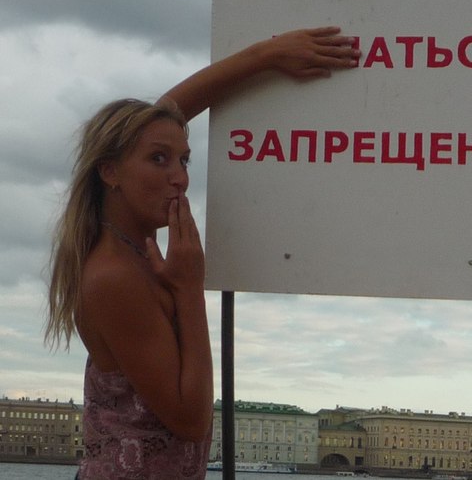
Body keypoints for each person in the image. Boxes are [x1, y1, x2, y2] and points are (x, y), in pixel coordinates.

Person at [45, 27, 359, 480]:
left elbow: (160, 119)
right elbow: (191, 420)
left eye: (184, 159)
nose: (180, 177)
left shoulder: (128, 249)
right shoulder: (113, 274)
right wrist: (190, 287)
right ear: (110, 171)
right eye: (159, 160)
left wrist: (266, 56)